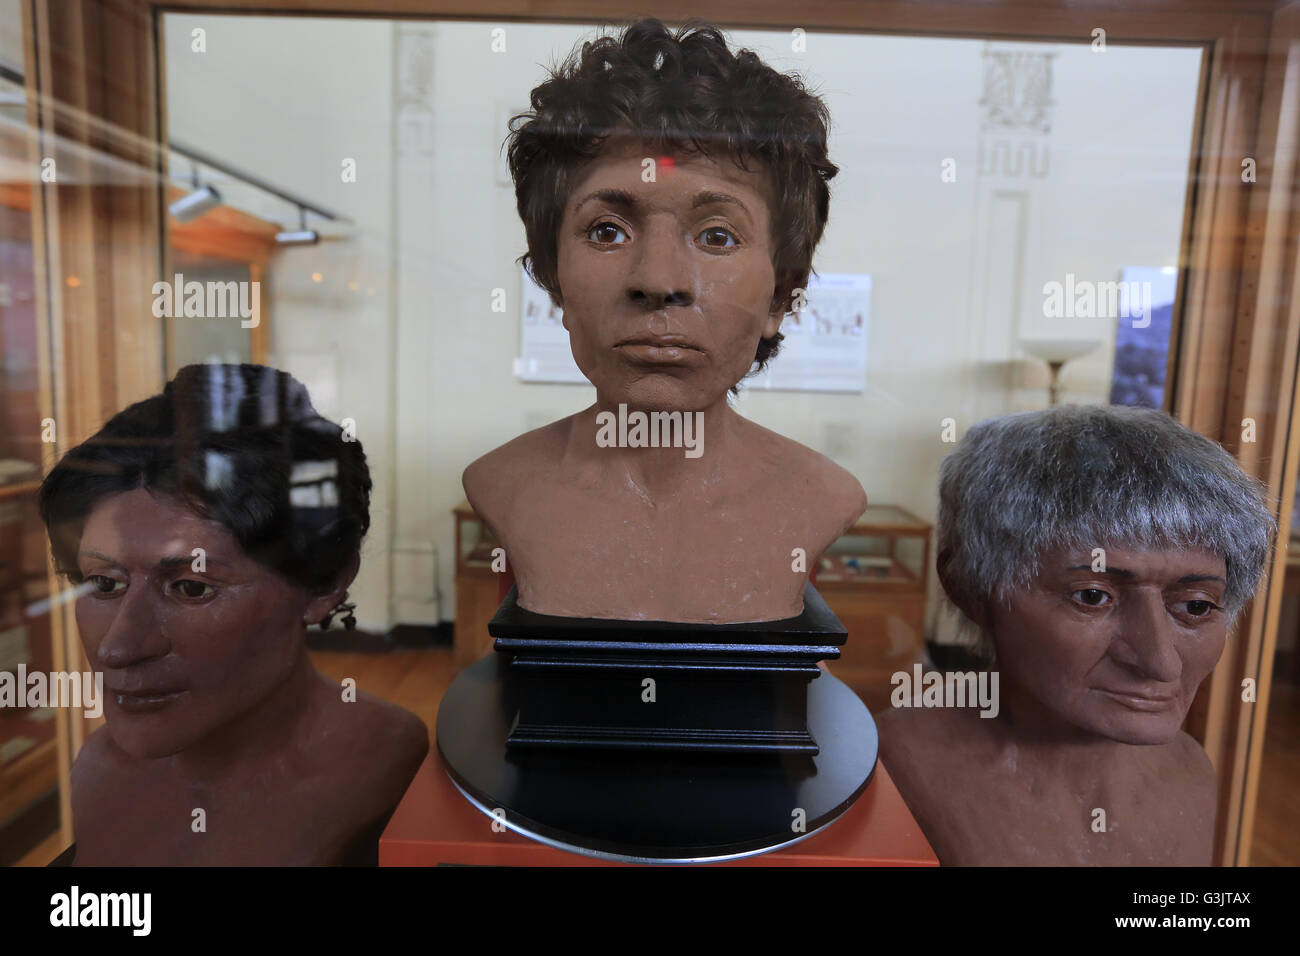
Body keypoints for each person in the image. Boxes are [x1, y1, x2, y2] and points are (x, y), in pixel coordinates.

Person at [464, 18, 866, 624]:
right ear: (555, 282)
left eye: (717, 235)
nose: (658, 280)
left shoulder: (825, 495)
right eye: (607, 231)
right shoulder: (503, 483)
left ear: (781, 296)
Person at [39, 363, 428, 865]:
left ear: (323, 583)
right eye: (104, 584)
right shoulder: (100, 768)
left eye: (191, 588)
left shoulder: (376, 764)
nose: (120, 646)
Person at [877, 403, 1276, 865]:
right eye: (1091, 597)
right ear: (969, 587)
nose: (1159, 662)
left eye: (1196, 606)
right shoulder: (894, 768)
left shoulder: (1190, 771)